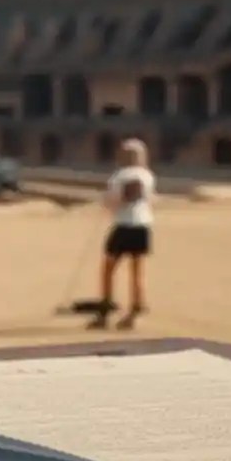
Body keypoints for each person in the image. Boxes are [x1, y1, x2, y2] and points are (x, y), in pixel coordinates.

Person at [89, 137, 156, 331]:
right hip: (143, 225)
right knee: (137, 271)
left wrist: (106, 205)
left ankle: (105, 308)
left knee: (108, 268)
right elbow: (150, 199)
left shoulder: (119, 176)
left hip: (124, 224)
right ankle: (136, 306)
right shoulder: (148, 176)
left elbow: (115, 200)